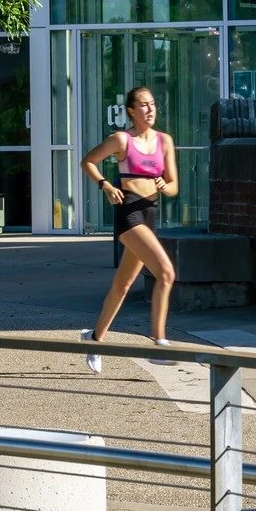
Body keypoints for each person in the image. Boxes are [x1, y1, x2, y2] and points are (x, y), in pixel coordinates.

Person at [78, 85, 178, 372]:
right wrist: (105, 185)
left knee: (122, 285)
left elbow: (174, 186)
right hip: (129, 213)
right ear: (132, 110)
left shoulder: (165, 141)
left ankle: (94, 338)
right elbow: (88, 161)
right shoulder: (122, 140)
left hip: (150, 214)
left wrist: (163, 185)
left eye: (153, 104)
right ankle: (159, 342)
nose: (150, 109)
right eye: (144, 105)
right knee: (167, 272)